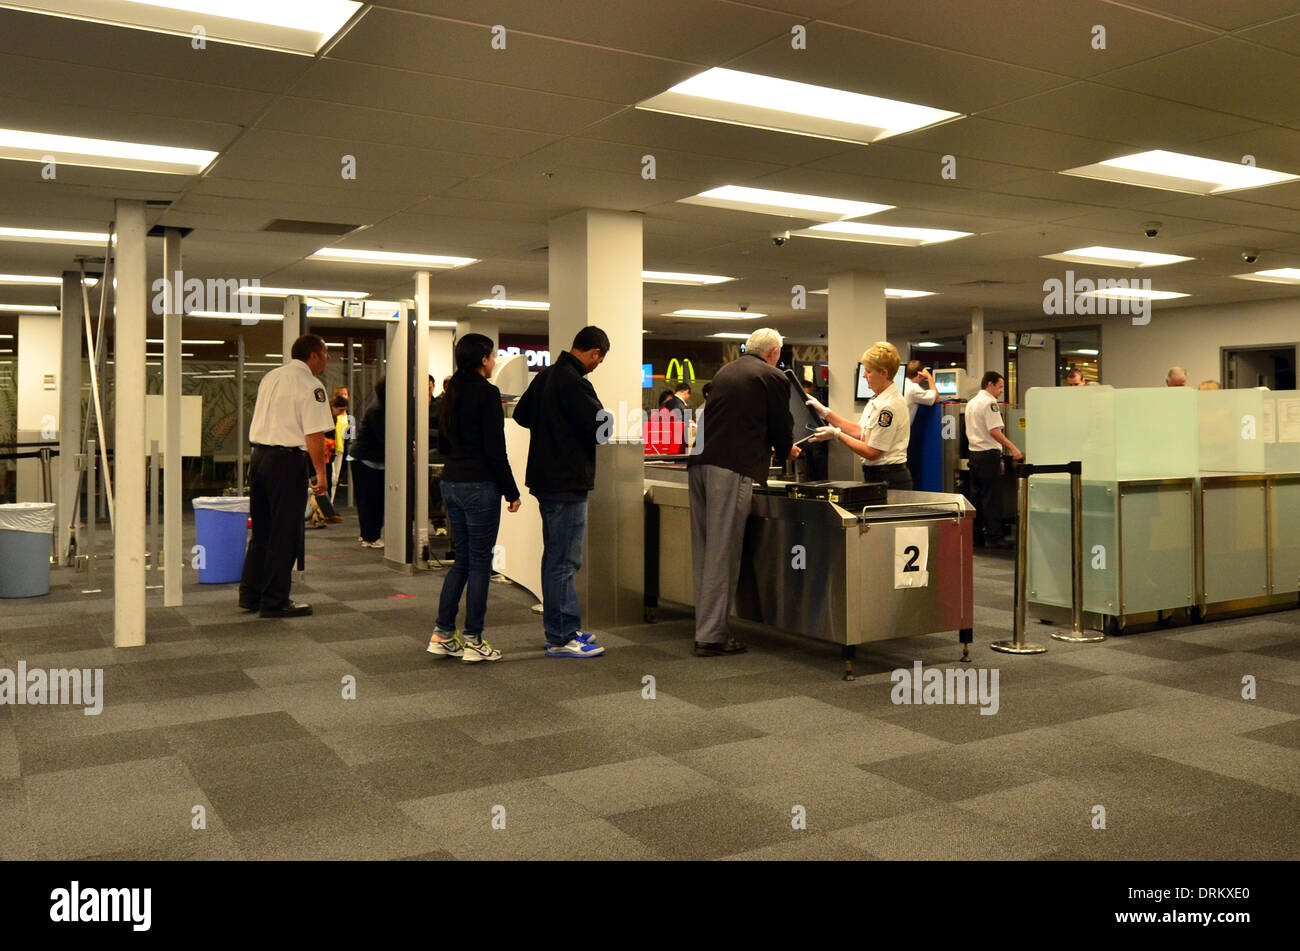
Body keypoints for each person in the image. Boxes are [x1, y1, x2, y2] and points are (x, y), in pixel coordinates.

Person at [688, 327, 799, 657]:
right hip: (731, 469)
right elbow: (781, 424)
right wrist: (787, 448)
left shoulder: (726, 371)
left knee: (705, 551)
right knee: (723, 552)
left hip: (699, 465)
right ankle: (711, 635)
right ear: (773, 353)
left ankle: (704, 625)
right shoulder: (772, 376)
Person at [513, 325, 610, 658]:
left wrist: (550, 428)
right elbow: (601, 429)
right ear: (594, 353)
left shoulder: (546, 376)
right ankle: (561, 636)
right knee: (564, 561)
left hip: (544, 479)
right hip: (567, 481)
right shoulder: (577, 383)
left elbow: (521, 414)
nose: (597, 365)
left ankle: (563, 626)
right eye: (599, 360)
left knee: (555, 557)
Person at [426, 334, 522, 663]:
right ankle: (473, 639)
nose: (494, 361)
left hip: (451, 482)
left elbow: (444, 444)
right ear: (483, 359)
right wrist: (512, 491)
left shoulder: (451, 391)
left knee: (463, 561)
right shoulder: (487, 393)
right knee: (481, 564)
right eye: (492, 356)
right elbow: (496, 450)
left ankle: (442, 634)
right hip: (480, 485)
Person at [239, 333, 333, 618]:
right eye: (326, 353)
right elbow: (314, 434)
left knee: (263, 531)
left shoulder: (271, 376)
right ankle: (275, 600)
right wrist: (320, 473)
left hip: (259, 459)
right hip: (286, 463)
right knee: (286, 532)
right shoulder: (311, 385)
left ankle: (251, 594)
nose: (328, 359)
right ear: (313, 356)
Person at [806, 342, 913, 490]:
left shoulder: (888, 406)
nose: (864, 376)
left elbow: (872, 452)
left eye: (868, 371)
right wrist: (825, 412)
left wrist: (837, 434)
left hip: (890, 478)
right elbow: (859, 431)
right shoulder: (878, 399)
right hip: (878, 476)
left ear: (884, 373)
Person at [965, 370, 1023, 548]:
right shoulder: (990, 403)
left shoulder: (972, 402)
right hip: (989, 455)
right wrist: (1013, 448)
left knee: (977, 498)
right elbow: (994, 431)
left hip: (974, 454)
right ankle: (994, 536)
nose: (1001, 391)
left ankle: (976, 536)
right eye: (999, 387)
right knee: (992, 498)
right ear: (989, 384)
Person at [349, 377, 386, 548]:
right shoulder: (377, 410)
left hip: (372, 460)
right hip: (364, 460)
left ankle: (369, 534)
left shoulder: (381, 407)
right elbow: (383, 437)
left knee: (373, 500)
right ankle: (369, 537)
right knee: (370, 500)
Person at [663, 382, 691, 455]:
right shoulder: (682, 407)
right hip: (679, 445)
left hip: (665, 441)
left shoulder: (665, 404)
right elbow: (686, 427)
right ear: (686, 392)